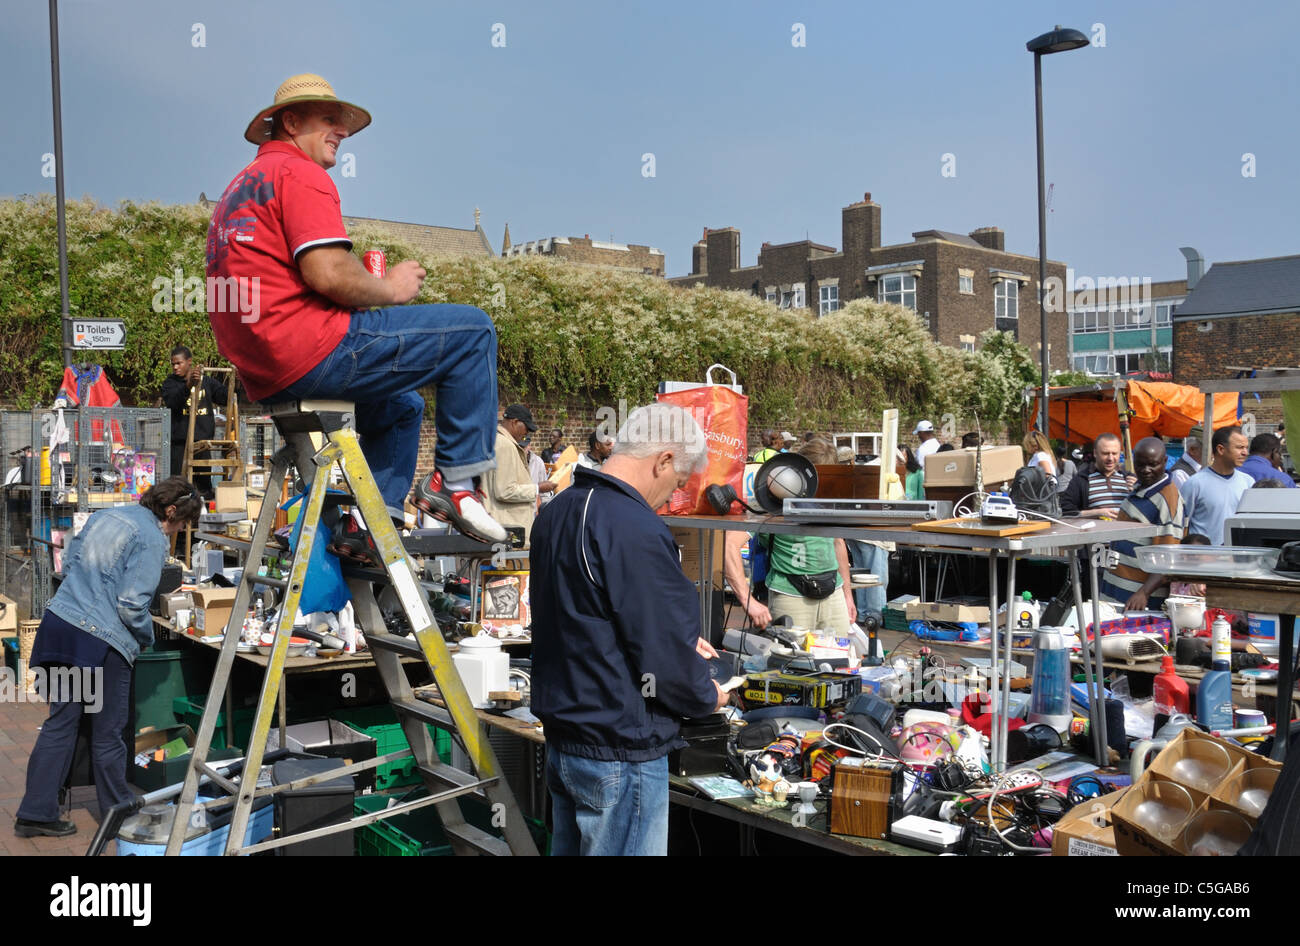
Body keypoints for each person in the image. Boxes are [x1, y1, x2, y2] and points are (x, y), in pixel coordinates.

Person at [206, 73, 505, 545]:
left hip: (265, 368)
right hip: (310, 348)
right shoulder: (300, 173)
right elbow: (327, 271)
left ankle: (370, 525)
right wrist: (390, 288)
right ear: (290, 120)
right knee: (474, 331)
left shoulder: (238, 189)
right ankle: (457, 481)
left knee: (404, 406)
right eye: (330, 119)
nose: (342, 131)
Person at [530, 403, 727, 856]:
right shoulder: (632, 524)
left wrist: (673, 638)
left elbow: (586, 615)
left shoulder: (558, 509)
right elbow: (660, 654)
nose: (671, 498)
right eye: (677, 483)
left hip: (570, 735)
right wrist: (706, 694)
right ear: (662, 460)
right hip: (619, 747)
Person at [14, 478, 202, 838]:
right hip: (100, 640)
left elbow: (69, 562)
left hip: (61, 624)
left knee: (60, 723)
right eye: (182, 523)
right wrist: (146, 636)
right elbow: (132, 605)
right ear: (171, 511)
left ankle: (35, 812)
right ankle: (118, 815)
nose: (180, 530)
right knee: (108, 733)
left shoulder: (107, 516)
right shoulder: (151, 538)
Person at [723, 440, 857, 635]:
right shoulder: (774, 500)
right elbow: (729, 545)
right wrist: (747, 601)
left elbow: (837, 542)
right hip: (791, 594)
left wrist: (847, 595)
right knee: (792, 661)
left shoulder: (828, 500)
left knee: (840, 658)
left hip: (832, 593)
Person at [1099, 437, 1186, 611]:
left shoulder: (1168, 500)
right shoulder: (1140, 488)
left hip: (1137, 600)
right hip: (1115, 592)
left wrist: (1143, 593)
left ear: (1165, 461)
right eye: (1140, 465)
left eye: (1152, 465)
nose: (1146, 470)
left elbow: (1167, 558)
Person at [482, 404, 557, 546]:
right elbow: (505, 491)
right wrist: (537, 488)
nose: (527, 434)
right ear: (515, 422)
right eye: (526, 429)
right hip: (509, 531)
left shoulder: (495, 440)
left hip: (503, 529)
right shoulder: (504, 445)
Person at [160, 345, 229, 499]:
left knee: (203, 486)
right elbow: (172, 401)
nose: (175, 367)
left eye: (179, 363)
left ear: (189, 362)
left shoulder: (207, 382)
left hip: (202, 443)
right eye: (173, 364)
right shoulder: (170, 383)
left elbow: (225, 397)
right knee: (178, 486)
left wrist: (237, 383)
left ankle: (201, 519)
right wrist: (188, 386)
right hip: (180, 443)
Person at [1180, 425, 1252, 545]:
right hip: (1204, 558)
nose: (1245, 453)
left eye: (1246, 448)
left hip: (1237, 557)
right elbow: (1182, 525)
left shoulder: (1248, 482)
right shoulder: (1195, 483)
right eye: (1240, 448)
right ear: (1220, 449)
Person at [1061, 433, 1135, 518]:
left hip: (1128, 530)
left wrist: (1137, 491)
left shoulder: (1129, 479)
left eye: (1114, 453)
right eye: (1105, 453)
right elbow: (1066, 511)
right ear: (1095, 453)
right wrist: (1096, 513)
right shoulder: (1081, 480)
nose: (1110, 458)